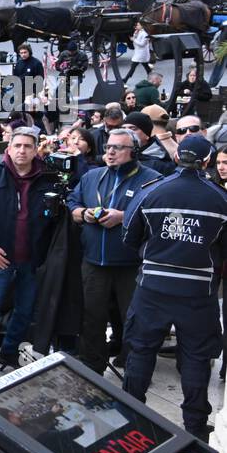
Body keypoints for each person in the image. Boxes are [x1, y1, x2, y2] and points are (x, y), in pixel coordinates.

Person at [121, 135, 227, 442]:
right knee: (196, 359)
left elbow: (129, 237)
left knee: (141, 351)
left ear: (178, 157)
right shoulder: (220, 198)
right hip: (198, 292)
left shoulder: (151, 191)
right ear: (207, 161)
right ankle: (194, 428)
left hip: (152, 287)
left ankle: (131, 420)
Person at [66, 127, 159, 376]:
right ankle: (91, 366)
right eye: (108, 147)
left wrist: (124, 217)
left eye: (117, 148)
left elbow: (158, 217)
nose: (110, 152)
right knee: (92, 316)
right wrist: (83, 214)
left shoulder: (152, 179)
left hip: (131, 263)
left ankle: (134, 367)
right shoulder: (92, 176)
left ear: (134, 151)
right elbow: (73, 203)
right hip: (94, 260)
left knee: (134, 318)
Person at [0, 128, 56, 382]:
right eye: (17, 145)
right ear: (8, 148)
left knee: (25, 310)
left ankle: (8, 352)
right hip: (0, 257)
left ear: (36, 149)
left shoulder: (48, 178)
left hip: (32, 258)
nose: (22, 150)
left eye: (28, 146)